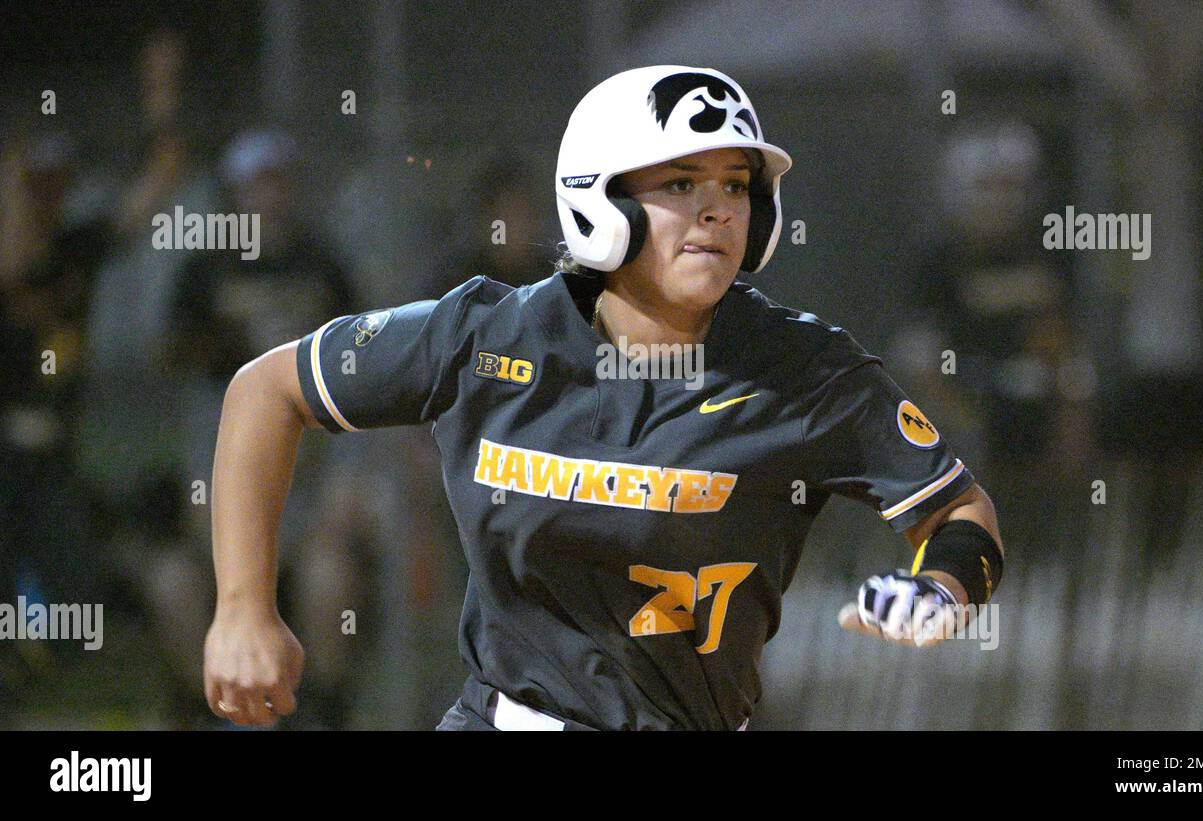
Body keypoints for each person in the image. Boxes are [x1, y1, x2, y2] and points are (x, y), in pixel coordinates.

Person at [203, 65, 1005, 731]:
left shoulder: (803, 372)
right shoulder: (488, 335)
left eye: (736, 183)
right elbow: (265, 389)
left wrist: (941, 585)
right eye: (681, 182)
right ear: (599, 198)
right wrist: (243, 608)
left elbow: (958, 510)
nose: (718, 207)